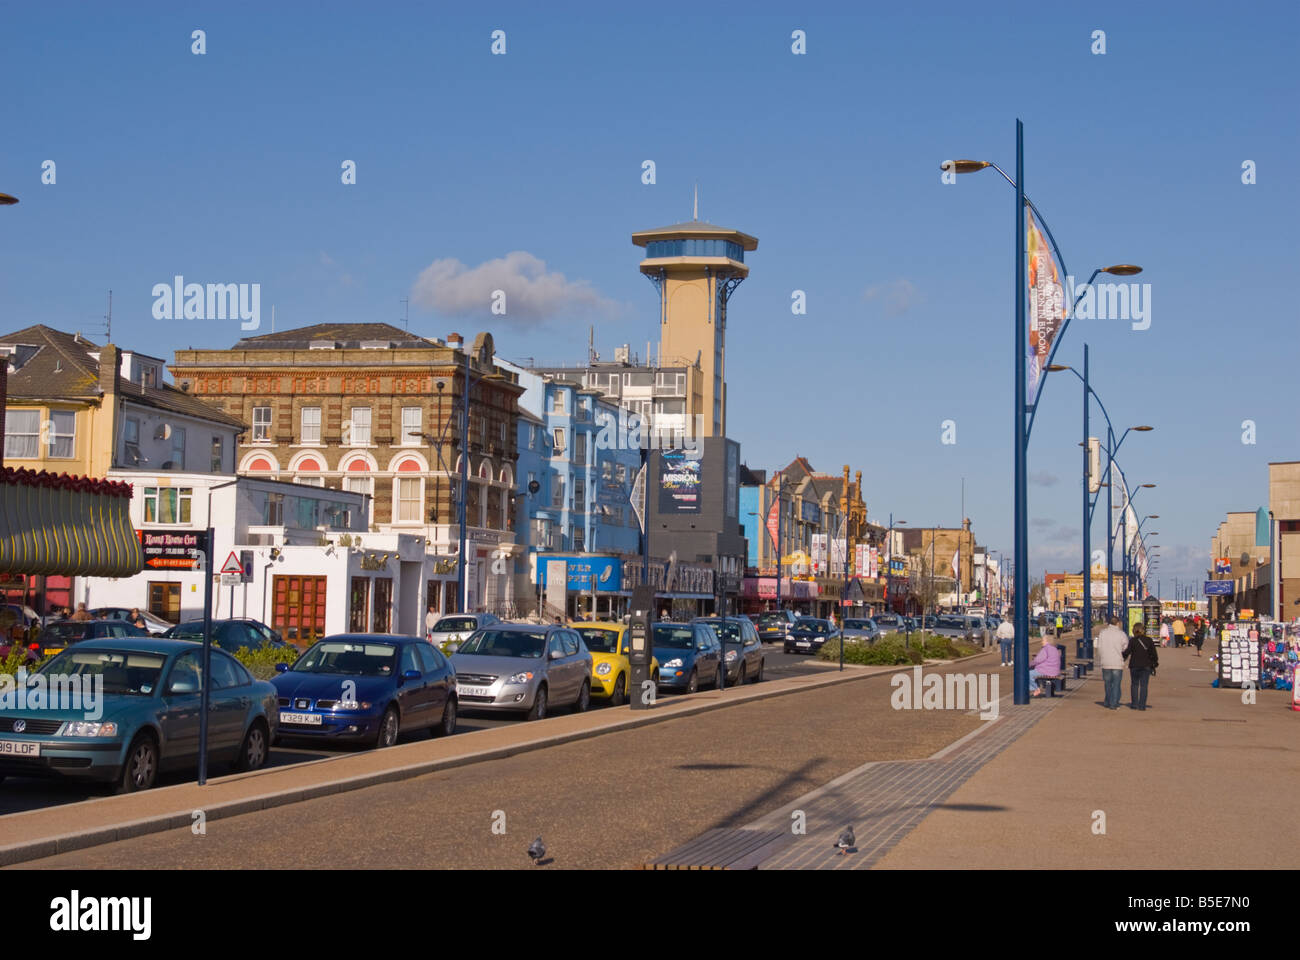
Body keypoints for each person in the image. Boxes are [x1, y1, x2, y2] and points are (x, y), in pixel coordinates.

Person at [1123, 620, 1158, 711]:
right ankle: (1142, 705)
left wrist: (1121, 657)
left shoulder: (1132, 640)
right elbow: (1154, 654)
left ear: (1134, 630)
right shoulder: (1149, 640)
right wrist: (1154, 663)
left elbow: (1127, 652)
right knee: (1144, 686)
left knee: (1134, 684)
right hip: (1146, 665)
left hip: (1134, 665)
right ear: (1143, 630)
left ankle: (1134, 704)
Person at [1096, 615, 1128, 709]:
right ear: (1118, 623)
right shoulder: (1121, 634)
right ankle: (1113, 703)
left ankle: (1108, 701)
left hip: (1105, 662)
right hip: (1117, 662)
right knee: (1116, 684)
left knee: (1107, 683)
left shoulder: (1103, 633)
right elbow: (1125, 647)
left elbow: (1099, 647)